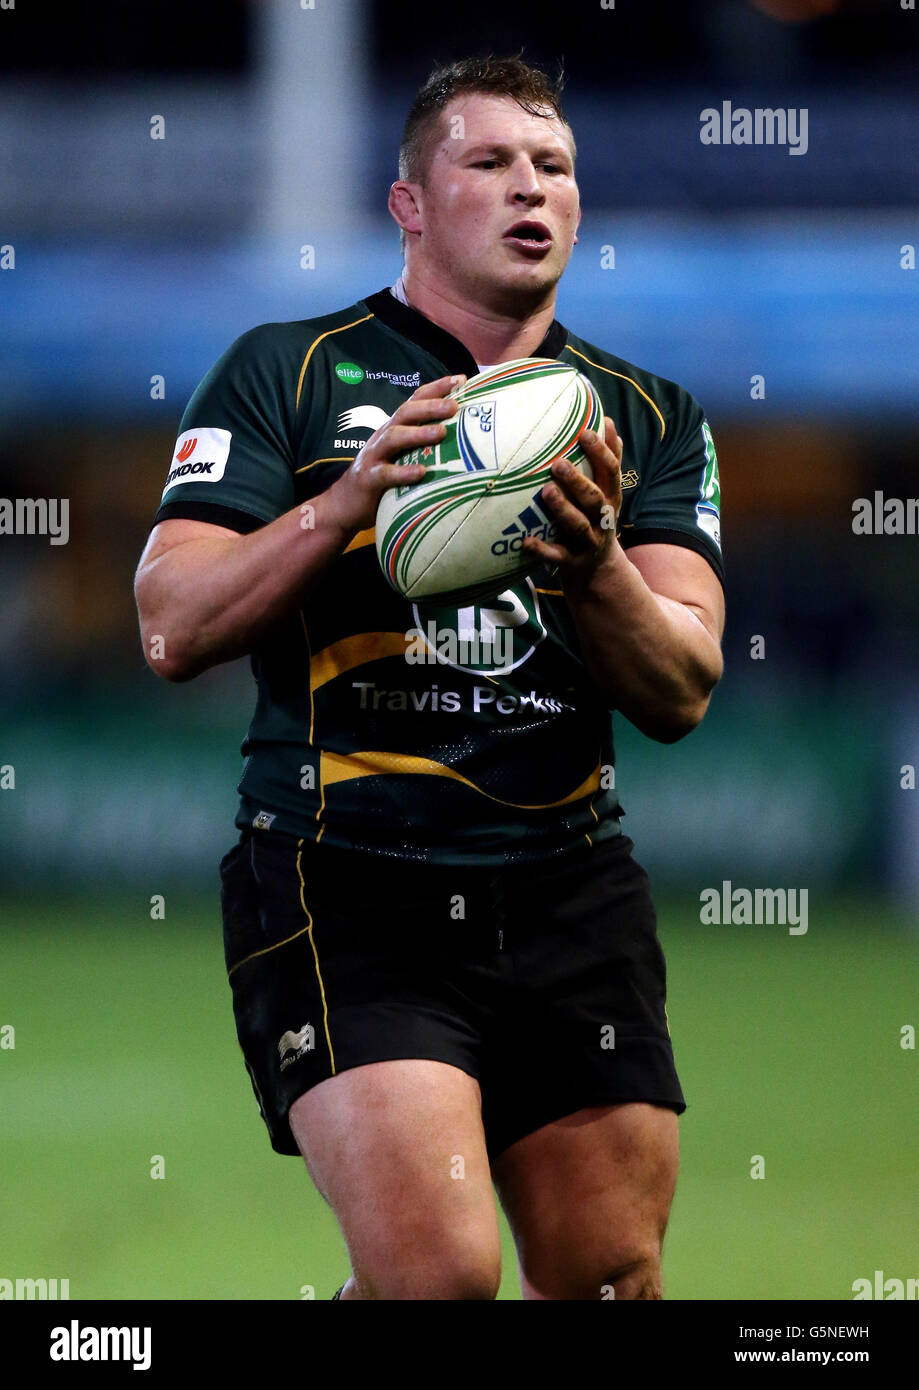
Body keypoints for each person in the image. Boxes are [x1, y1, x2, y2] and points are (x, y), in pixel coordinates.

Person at [134, 54, 724, 1301]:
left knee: (611, 1277)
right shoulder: (285, 371)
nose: (532, 190)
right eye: (490, 162)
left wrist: (596, 563)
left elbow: (680, 686)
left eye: (554, 167)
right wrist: (345, 504)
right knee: (438, 1278)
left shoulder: (644, 415)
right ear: (409, 203)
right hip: (347, 876)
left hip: (568, 883)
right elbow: (171, 624)